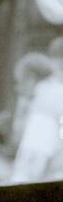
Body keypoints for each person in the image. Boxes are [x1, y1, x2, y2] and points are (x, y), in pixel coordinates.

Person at [10, 47, 63, 183]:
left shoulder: (44, 104)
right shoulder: (56, 94)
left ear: (30, 78)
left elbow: (31, 168)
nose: (17, 89)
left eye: (18, 81)